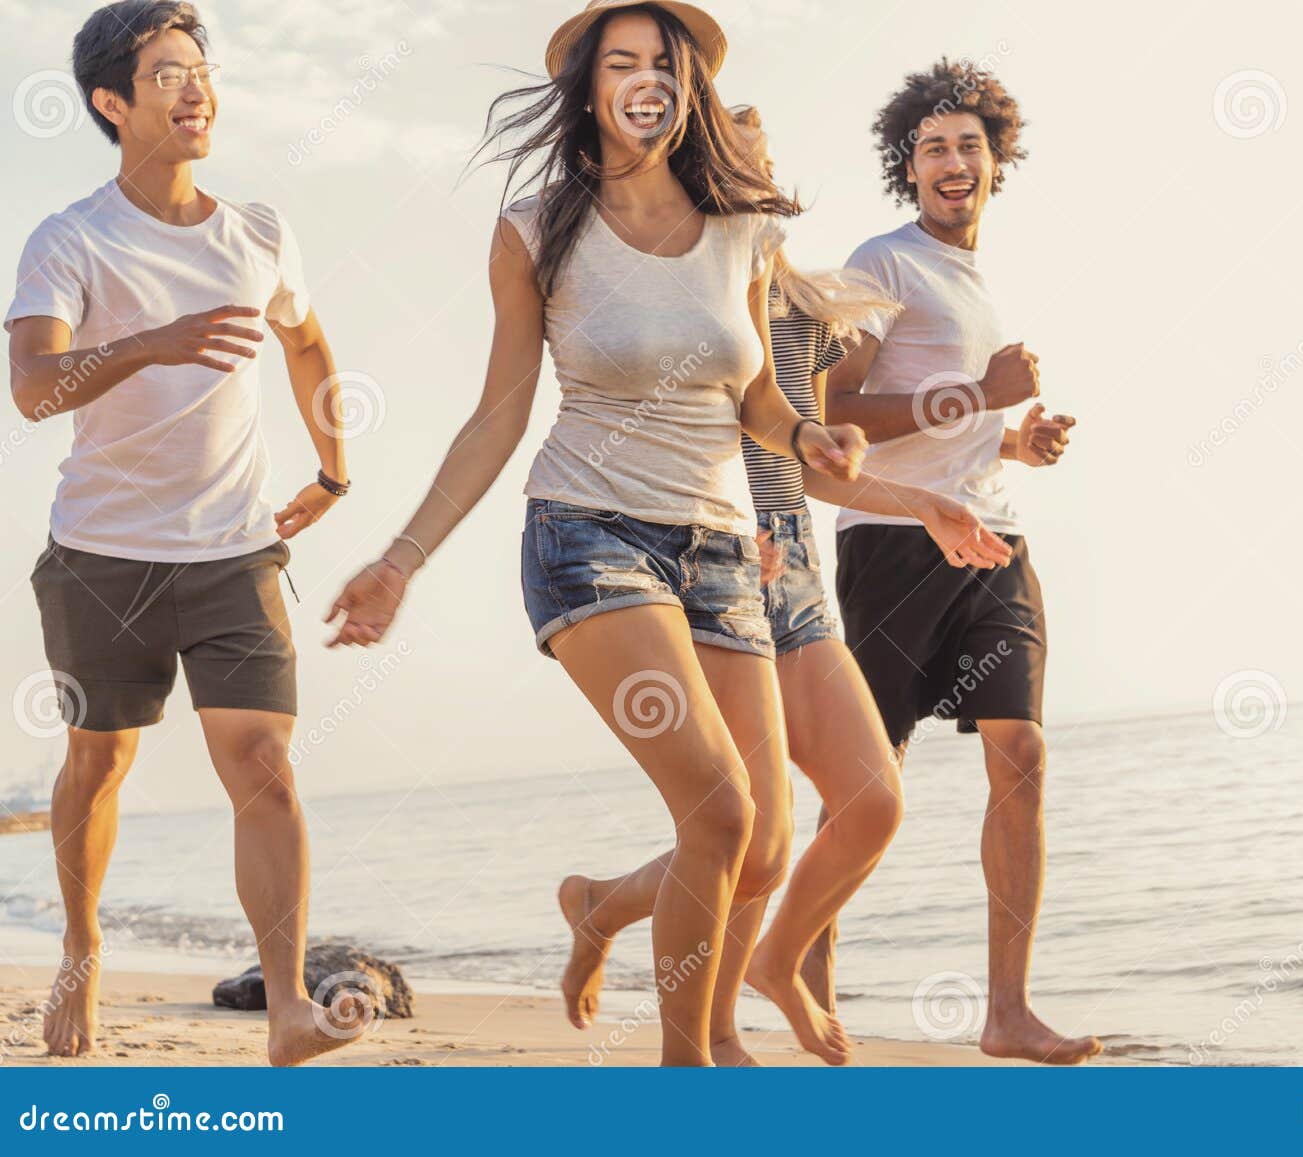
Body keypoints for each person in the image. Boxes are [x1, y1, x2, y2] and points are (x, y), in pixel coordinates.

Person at [322, 0, 883, 1067]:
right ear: (589, 88)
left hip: (719, 544)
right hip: (588, 532)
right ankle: (687, 1072)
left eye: (663, 63)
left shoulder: (743, 227)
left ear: (690, 90)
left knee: (758, 841)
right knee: (719, 806)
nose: (644, 80)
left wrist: (811, 436)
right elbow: (499, 414)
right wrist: (401, 558)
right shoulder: (536, 230)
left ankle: (595, 914)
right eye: (619, 62)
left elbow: (755, 394)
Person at [552, 103, 1016, 1066]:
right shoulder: (675, 280)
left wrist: (926, 501)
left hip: (794, 566)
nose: (757, 150)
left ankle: (616, 909)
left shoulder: (804, 302)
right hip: (712, 557)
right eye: (738, 138)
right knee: (751, 831)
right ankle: (712, 1029)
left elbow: (810, 450)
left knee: (871, 801)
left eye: (763, 140)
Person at [4, 1, 365, 1064]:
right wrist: (150, 342)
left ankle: (290, 1004)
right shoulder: (68, 238)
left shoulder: (257, 230)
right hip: (101, 553)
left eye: (201, 68)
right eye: (167, 73)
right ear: (113, 102)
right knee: (98, 762)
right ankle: (80, 942)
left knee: (264, 763)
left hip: (234, 550)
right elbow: (32, 388)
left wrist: (336, 467)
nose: (196, 88)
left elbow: (305, 340)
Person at [803, 58, 1101, 1065]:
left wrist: (1019, 440)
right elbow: (833, 413)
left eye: (968, 144)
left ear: (995, 161)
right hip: (890, 543)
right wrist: (981, 393)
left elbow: (957, 427)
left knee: (1020, 751)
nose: (951, 160)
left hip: (994, 535)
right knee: (864, 784)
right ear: (909, 167)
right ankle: (808, 977)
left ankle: (1007, 1009)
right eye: (931, 147)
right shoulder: (878, 263)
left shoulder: (989, 275)